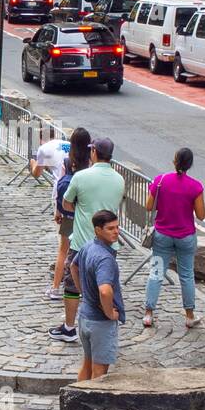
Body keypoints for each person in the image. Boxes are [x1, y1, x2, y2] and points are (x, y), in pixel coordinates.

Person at [52, 138, 125, 343]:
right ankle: (104, 322)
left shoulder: (81, 177)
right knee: (104, 282)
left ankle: (69, 327)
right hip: (109, 243)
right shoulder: (119, 179)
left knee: (72, 285)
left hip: (82, 241)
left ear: (93, 152)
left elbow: (66, 203)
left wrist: (82, 211)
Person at [143, 148, 205, 330]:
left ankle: (148, 314)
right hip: (185, 235)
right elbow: (201, 215)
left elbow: (149, 206)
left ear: (175, 161)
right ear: (189, 165)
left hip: (162, 235)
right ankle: (189, 315)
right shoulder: (195, 186)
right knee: (186, 275)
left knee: (156, 273)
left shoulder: (161, 181)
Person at [31, 129, 88, 303]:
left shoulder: (67, 161)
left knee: (63, 248)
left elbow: (62, 188)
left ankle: (56, 287)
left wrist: (58, 211)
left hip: (69, 210)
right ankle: (85, 288)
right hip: (86, 211)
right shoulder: (90, 162)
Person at [71, 209, 124, 380]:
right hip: (100, 322)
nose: (116, 232)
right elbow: (105, 290)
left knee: (87, 364)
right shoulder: (105, 259)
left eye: (117, 227)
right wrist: (109, 313)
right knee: (99, 372)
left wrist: (83, 293)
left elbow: (73, 266)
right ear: (97, 230)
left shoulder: (88, 246)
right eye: (110, 228)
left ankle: (76, 403)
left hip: (85, 317)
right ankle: (90, 406)